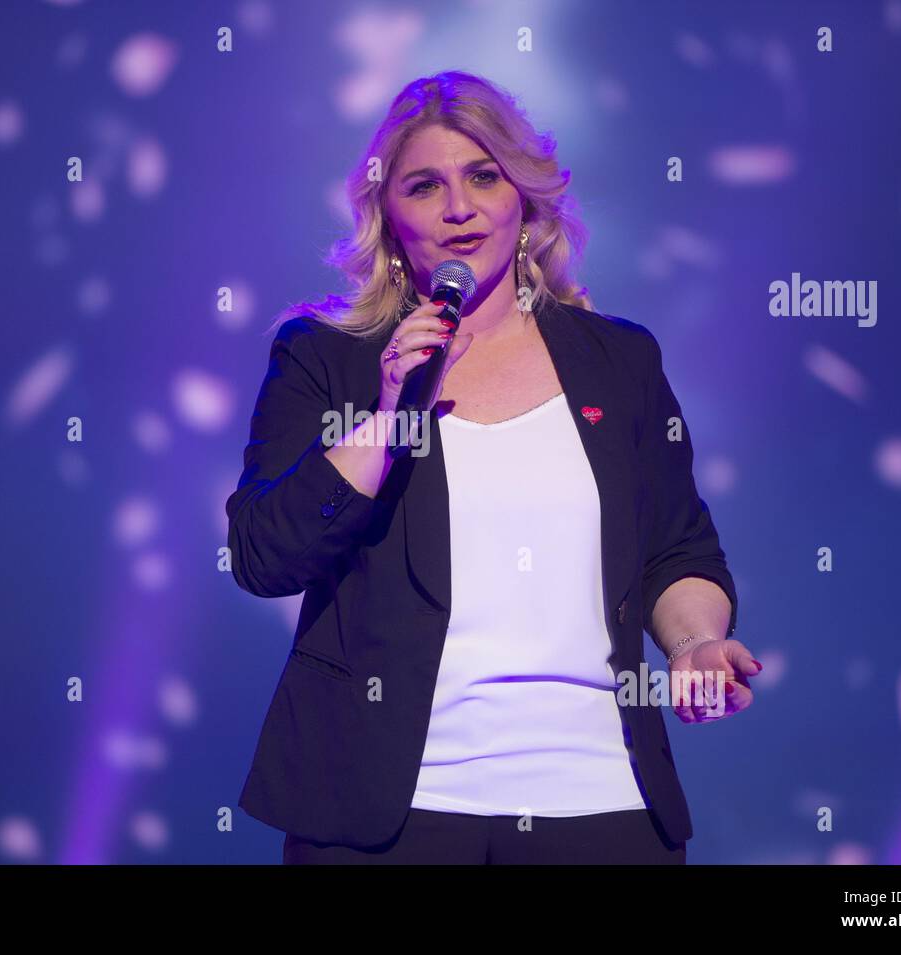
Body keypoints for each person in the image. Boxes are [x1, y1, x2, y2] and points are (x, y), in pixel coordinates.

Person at [225, 71, 761, 865]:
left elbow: (676, 551)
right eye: (424, 186)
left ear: (525, 193)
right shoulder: (326, 358)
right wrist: (386, 414)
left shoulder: (620, 360)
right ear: (388, 215)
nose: (458, 208)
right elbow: (264, 555)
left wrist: (694, 647)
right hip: (388, 816)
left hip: (597, 802)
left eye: (483, 175)